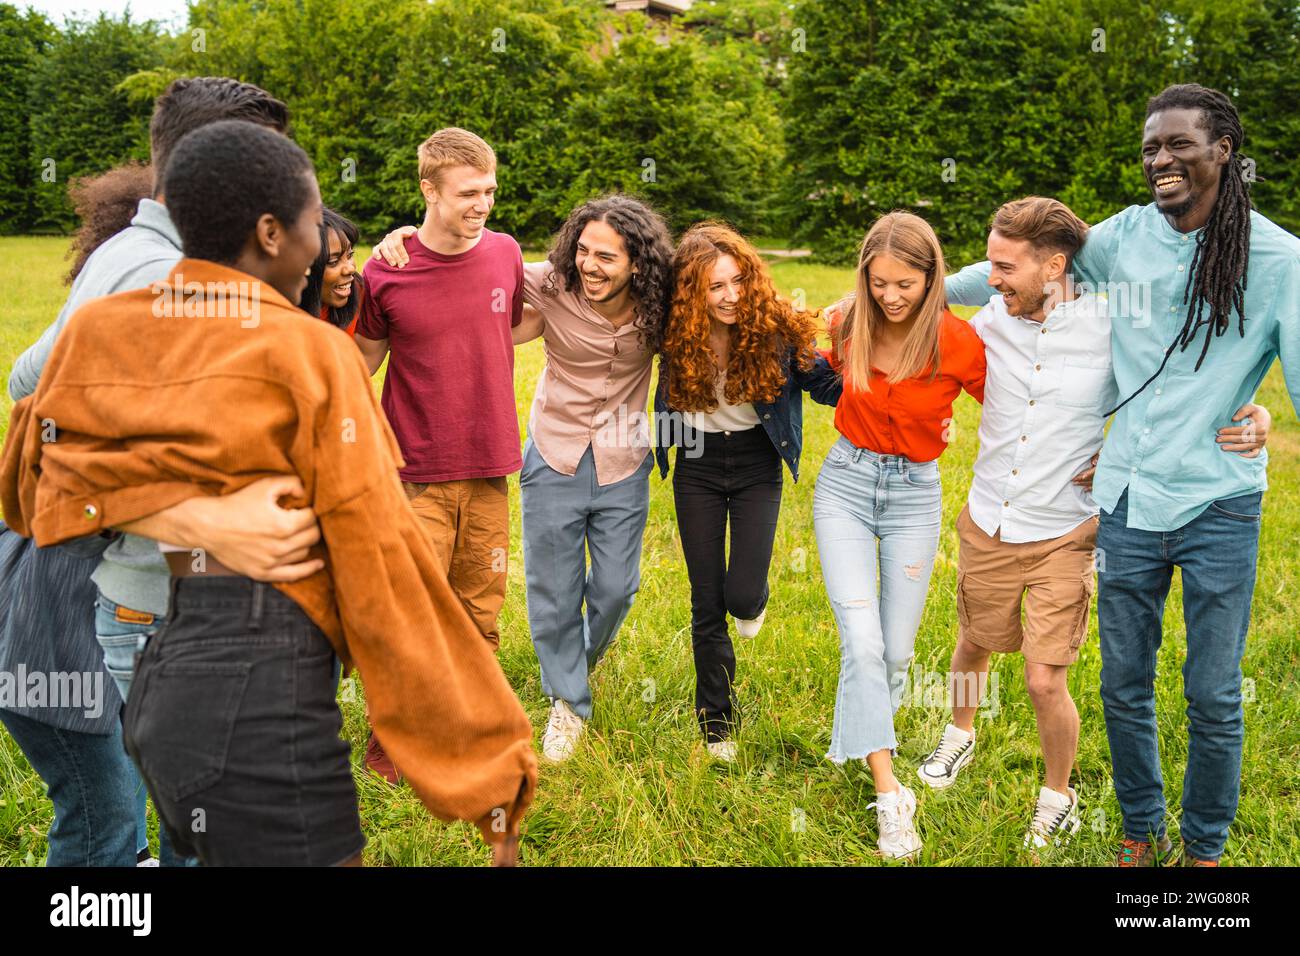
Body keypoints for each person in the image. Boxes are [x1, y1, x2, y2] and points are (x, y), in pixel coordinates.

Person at [1, 119, 537, 867]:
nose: (324, 246)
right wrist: (488, 766)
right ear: (270, 233)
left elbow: (28, 480)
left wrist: (164, 511)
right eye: (313, 222)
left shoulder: (100, 329)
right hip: (264, 676)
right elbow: (386, 570)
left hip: (147, 662)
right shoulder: (311, 353)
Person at [946, 84, 1300, 867]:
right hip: (1126, 500)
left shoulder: (1280, 260)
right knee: (1122, 687)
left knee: (1212, 695)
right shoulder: (1125, 238)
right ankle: (1141, 831)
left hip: (1218, 503)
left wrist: (1266, 417)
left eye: (1178, 144)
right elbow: (1026, 264)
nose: (1160, 160)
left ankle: (1204, 850)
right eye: (1150, 148)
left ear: (1223, 153)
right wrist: (918, 296)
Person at [0, 76, 321, 869]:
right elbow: (54, 434)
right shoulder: (159, 282)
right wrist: (199, 522)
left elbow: (27, 377)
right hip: (104, 604)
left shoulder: (137, 256)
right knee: (147, 827)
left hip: (92, 595)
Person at [373, 194, 675, 763]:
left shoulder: (661, 300)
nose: (590, 265)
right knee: (554, 592)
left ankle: (575, 662)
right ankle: (568, 699)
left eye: (606, 257)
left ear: (637, 263)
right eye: (583, 251)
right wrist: (408, 236)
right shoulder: (551, 282)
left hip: (623, 461)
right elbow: (471, 260)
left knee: (615, 589)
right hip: (554, 455)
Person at [353, 128, 523, 781]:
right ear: (429, 189)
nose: (482, 204)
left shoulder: (506, 254)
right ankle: (393, 741)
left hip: (488, 469)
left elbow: (558, 299)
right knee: (410, 613)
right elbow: (360, 365)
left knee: (480, 609)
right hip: (413, 473)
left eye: (489, 191)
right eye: (467, 193)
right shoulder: (387, 269)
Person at [816, 211, 985, 860]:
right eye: (878, 282)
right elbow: (792, 352)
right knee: (861, 641)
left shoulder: (955, 341)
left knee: (893, 656)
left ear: (932, 276)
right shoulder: (847, 323)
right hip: (846, 490)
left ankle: (851, 737)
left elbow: (1013, 409)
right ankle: (891, 797)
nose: (890, 296)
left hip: (916, 497)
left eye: (905, 285)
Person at [653, 222, 840, 761]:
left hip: (758, 462)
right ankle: (717, 725)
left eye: (737, 281)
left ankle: (752, 600)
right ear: (693, 292)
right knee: (706, 601)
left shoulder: (774, 326)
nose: (731, 296)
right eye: (715, 287)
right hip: (697, 464)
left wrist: (882, 379)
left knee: (741, 595)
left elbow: (827, 385)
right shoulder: (672, 329)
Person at [299, 207, 362, 335]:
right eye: (333, 262)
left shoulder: (361, 291)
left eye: (350, 255)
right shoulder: (257, 305)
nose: (350, 268)